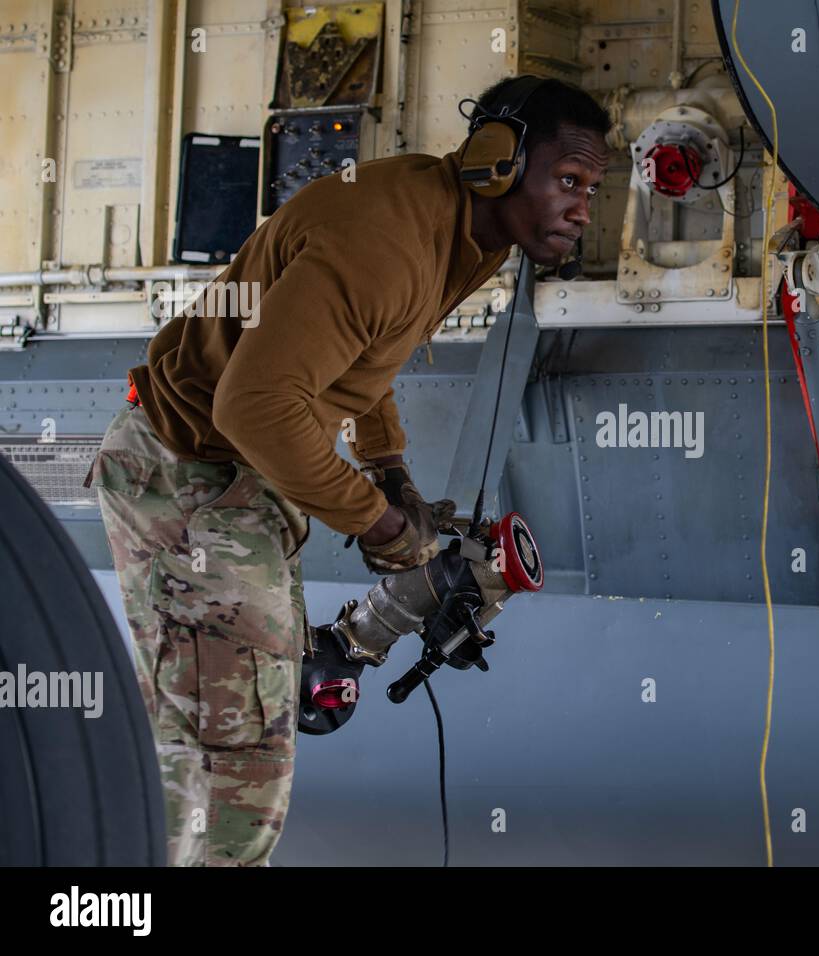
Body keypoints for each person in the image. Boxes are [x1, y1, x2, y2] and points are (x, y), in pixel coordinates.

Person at [88, 76, 612, 866]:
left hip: (230, 481)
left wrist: (388, 465)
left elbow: (369, 355)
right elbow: (254, 407)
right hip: (191, 475)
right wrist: (377, 521)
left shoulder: (453, 228)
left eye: (592, 190)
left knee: (214, 722)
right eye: (568, 181)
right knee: (230, 753)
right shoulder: (391, 240)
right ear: (499, 161)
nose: (582, 208)